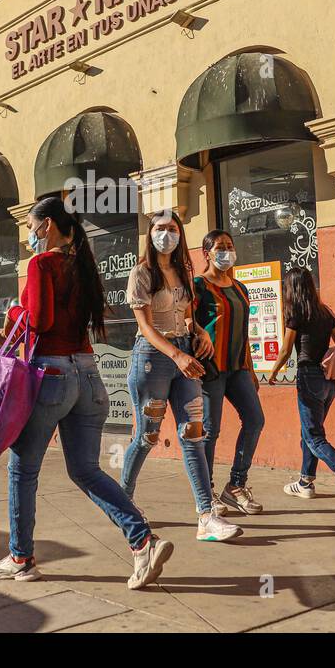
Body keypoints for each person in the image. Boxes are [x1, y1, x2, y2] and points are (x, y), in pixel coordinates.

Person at [0, 196, 173, 589]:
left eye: (32, 228)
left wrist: (14, 316)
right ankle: (143, 540)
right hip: (89, 375)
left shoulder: (41, 264)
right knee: (86, 469)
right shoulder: (84, 265)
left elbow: (41, 320)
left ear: (48, 225)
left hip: (50, 375)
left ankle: (21, 558)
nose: (30, 237)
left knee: (23, 470)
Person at [120, 210, 242, 542]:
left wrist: (200, 332)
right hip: (153, 360)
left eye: (172, 228)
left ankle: (206, 516)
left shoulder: (184, 272)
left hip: (184, 355)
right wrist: (177, 355)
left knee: (194, 434)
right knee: (148, 436)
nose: (167, 234)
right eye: (160, 228)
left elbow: (188, 316)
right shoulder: (141, 273)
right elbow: (144, 326)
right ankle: (122, 502)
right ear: (150, 233)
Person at [268, 267, 335, 508]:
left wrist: (273, 372)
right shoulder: (325, 312)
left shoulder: (296, 314)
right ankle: (305, 482)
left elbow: (285, 349)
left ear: (291, 288)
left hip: (308, 377)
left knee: (314, 436)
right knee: (309, 433)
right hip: (327, 379)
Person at [194, 230, 265, 515]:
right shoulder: (198, 286)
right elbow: (188, 324)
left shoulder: (240, 288)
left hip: (238, 368)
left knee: (255, 420)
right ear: (206, 253)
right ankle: (206, 491)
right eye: (219, 247)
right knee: (210, 431)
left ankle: (236, 485)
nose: (226, 251)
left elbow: (244, 332)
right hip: (211, 369)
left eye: (229, 246)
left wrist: (251, 368)